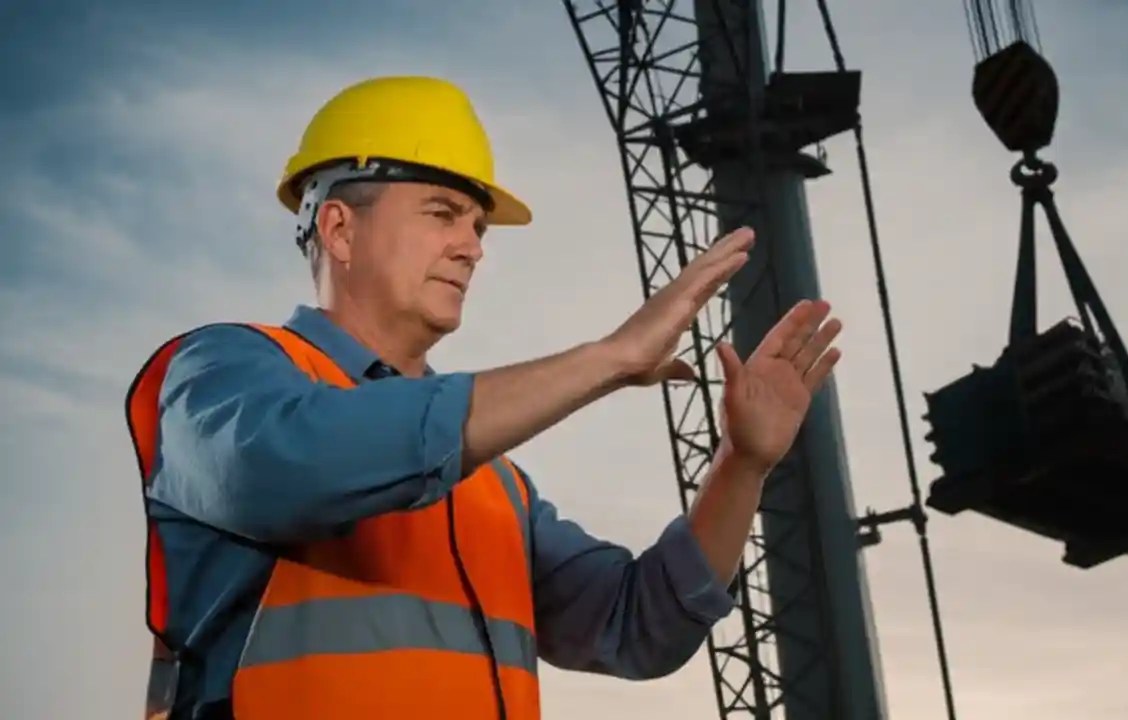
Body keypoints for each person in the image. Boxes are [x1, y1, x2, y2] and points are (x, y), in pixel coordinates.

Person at [125, 75, 843, 720]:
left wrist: (742, 465)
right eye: (442, 213)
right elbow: (290, 467)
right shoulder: (222, 372)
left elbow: (637, 626)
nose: (473, 247)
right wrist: (609, 359)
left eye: (476, 225)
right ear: (339, 228)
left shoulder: (493, 483)